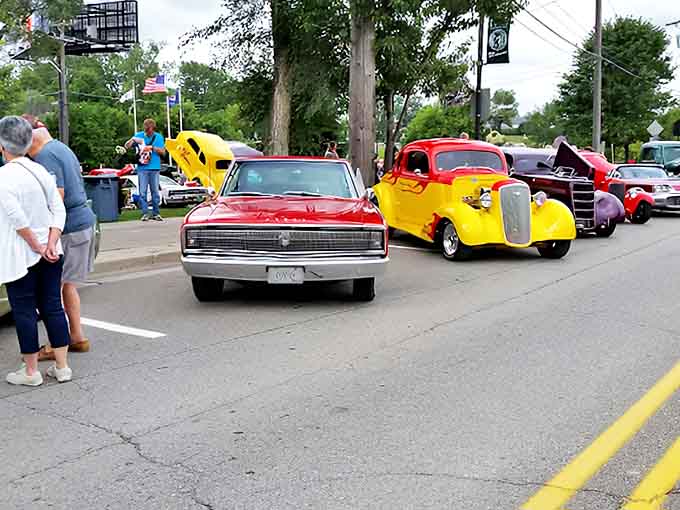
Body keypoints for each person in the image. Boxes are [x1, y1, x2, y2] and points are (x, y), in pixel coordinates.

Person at [0, 116, 72, 386]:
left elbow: (16, 217)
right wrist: (51, 243)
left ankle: (30, 371)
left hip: (22, 255)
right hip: (52, 252)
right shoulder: (40, 170)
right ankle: (62, 366)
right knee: (53, 305)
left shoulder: (4, 176)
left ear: (2, 145)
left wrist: (37, 246)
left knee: (24, 310)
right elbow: (58, 209)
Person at [25, 116, 96, 358]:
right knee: (67, 286)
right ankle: (77, 337)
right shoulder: (60, 148)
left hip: (69, 228)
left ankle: (56, 346)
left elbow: (57, 195)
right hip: (81, 223)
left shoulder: (46, 156)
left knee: (50, 291)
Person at [125, 118, 166, 221]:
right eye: (146, 129)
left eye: (150, 130)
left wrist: (152, 147)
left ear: (153, 128)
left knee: (155, 192)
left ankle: (156, 213)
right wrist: (133, 139)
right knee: (142, 192)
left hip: (154, 167)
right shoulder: (139, 136)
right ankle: (145, 213)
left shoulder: (158, 137)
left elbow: (163, 152)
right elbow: (127, 146)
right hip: (142, 168)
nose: (148, 132)